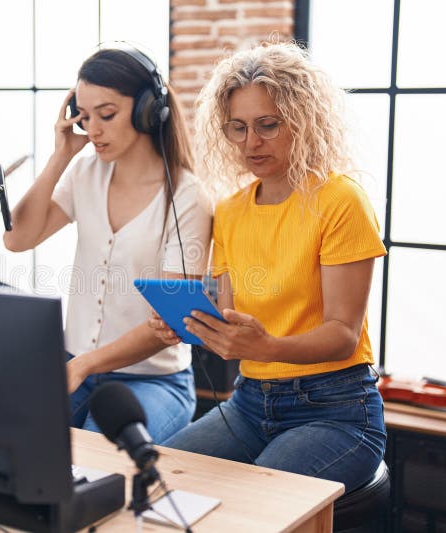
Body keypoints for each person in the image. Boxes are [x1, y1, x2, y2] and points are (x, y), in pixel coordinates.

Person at [151, 41, 387, 492]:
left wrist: (267, 347)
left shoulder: (341, 201)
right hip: (248, 406)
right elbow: (231, 315)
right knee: (157, 479)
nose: (251, 143)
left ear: (303, 120)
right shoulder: (232, 210)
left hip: (336, 410)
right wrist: (190, 324)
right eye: (237, 128)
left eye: (268, 125)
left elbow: (342, 335)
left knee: (255, 503)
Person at [3, 45, 212, 442]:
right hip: (75, 367)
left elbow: (171, 318)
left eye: (107, 114)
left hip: (153, 382)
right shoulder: (85, 171)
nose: (93, 129)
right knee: (18, 443)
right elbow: (18, 238)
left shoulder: (187, 196)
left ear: (148, 110)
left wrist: (85, 365)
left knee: (102, 453)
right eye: (83, 117)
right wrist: (60, 156)